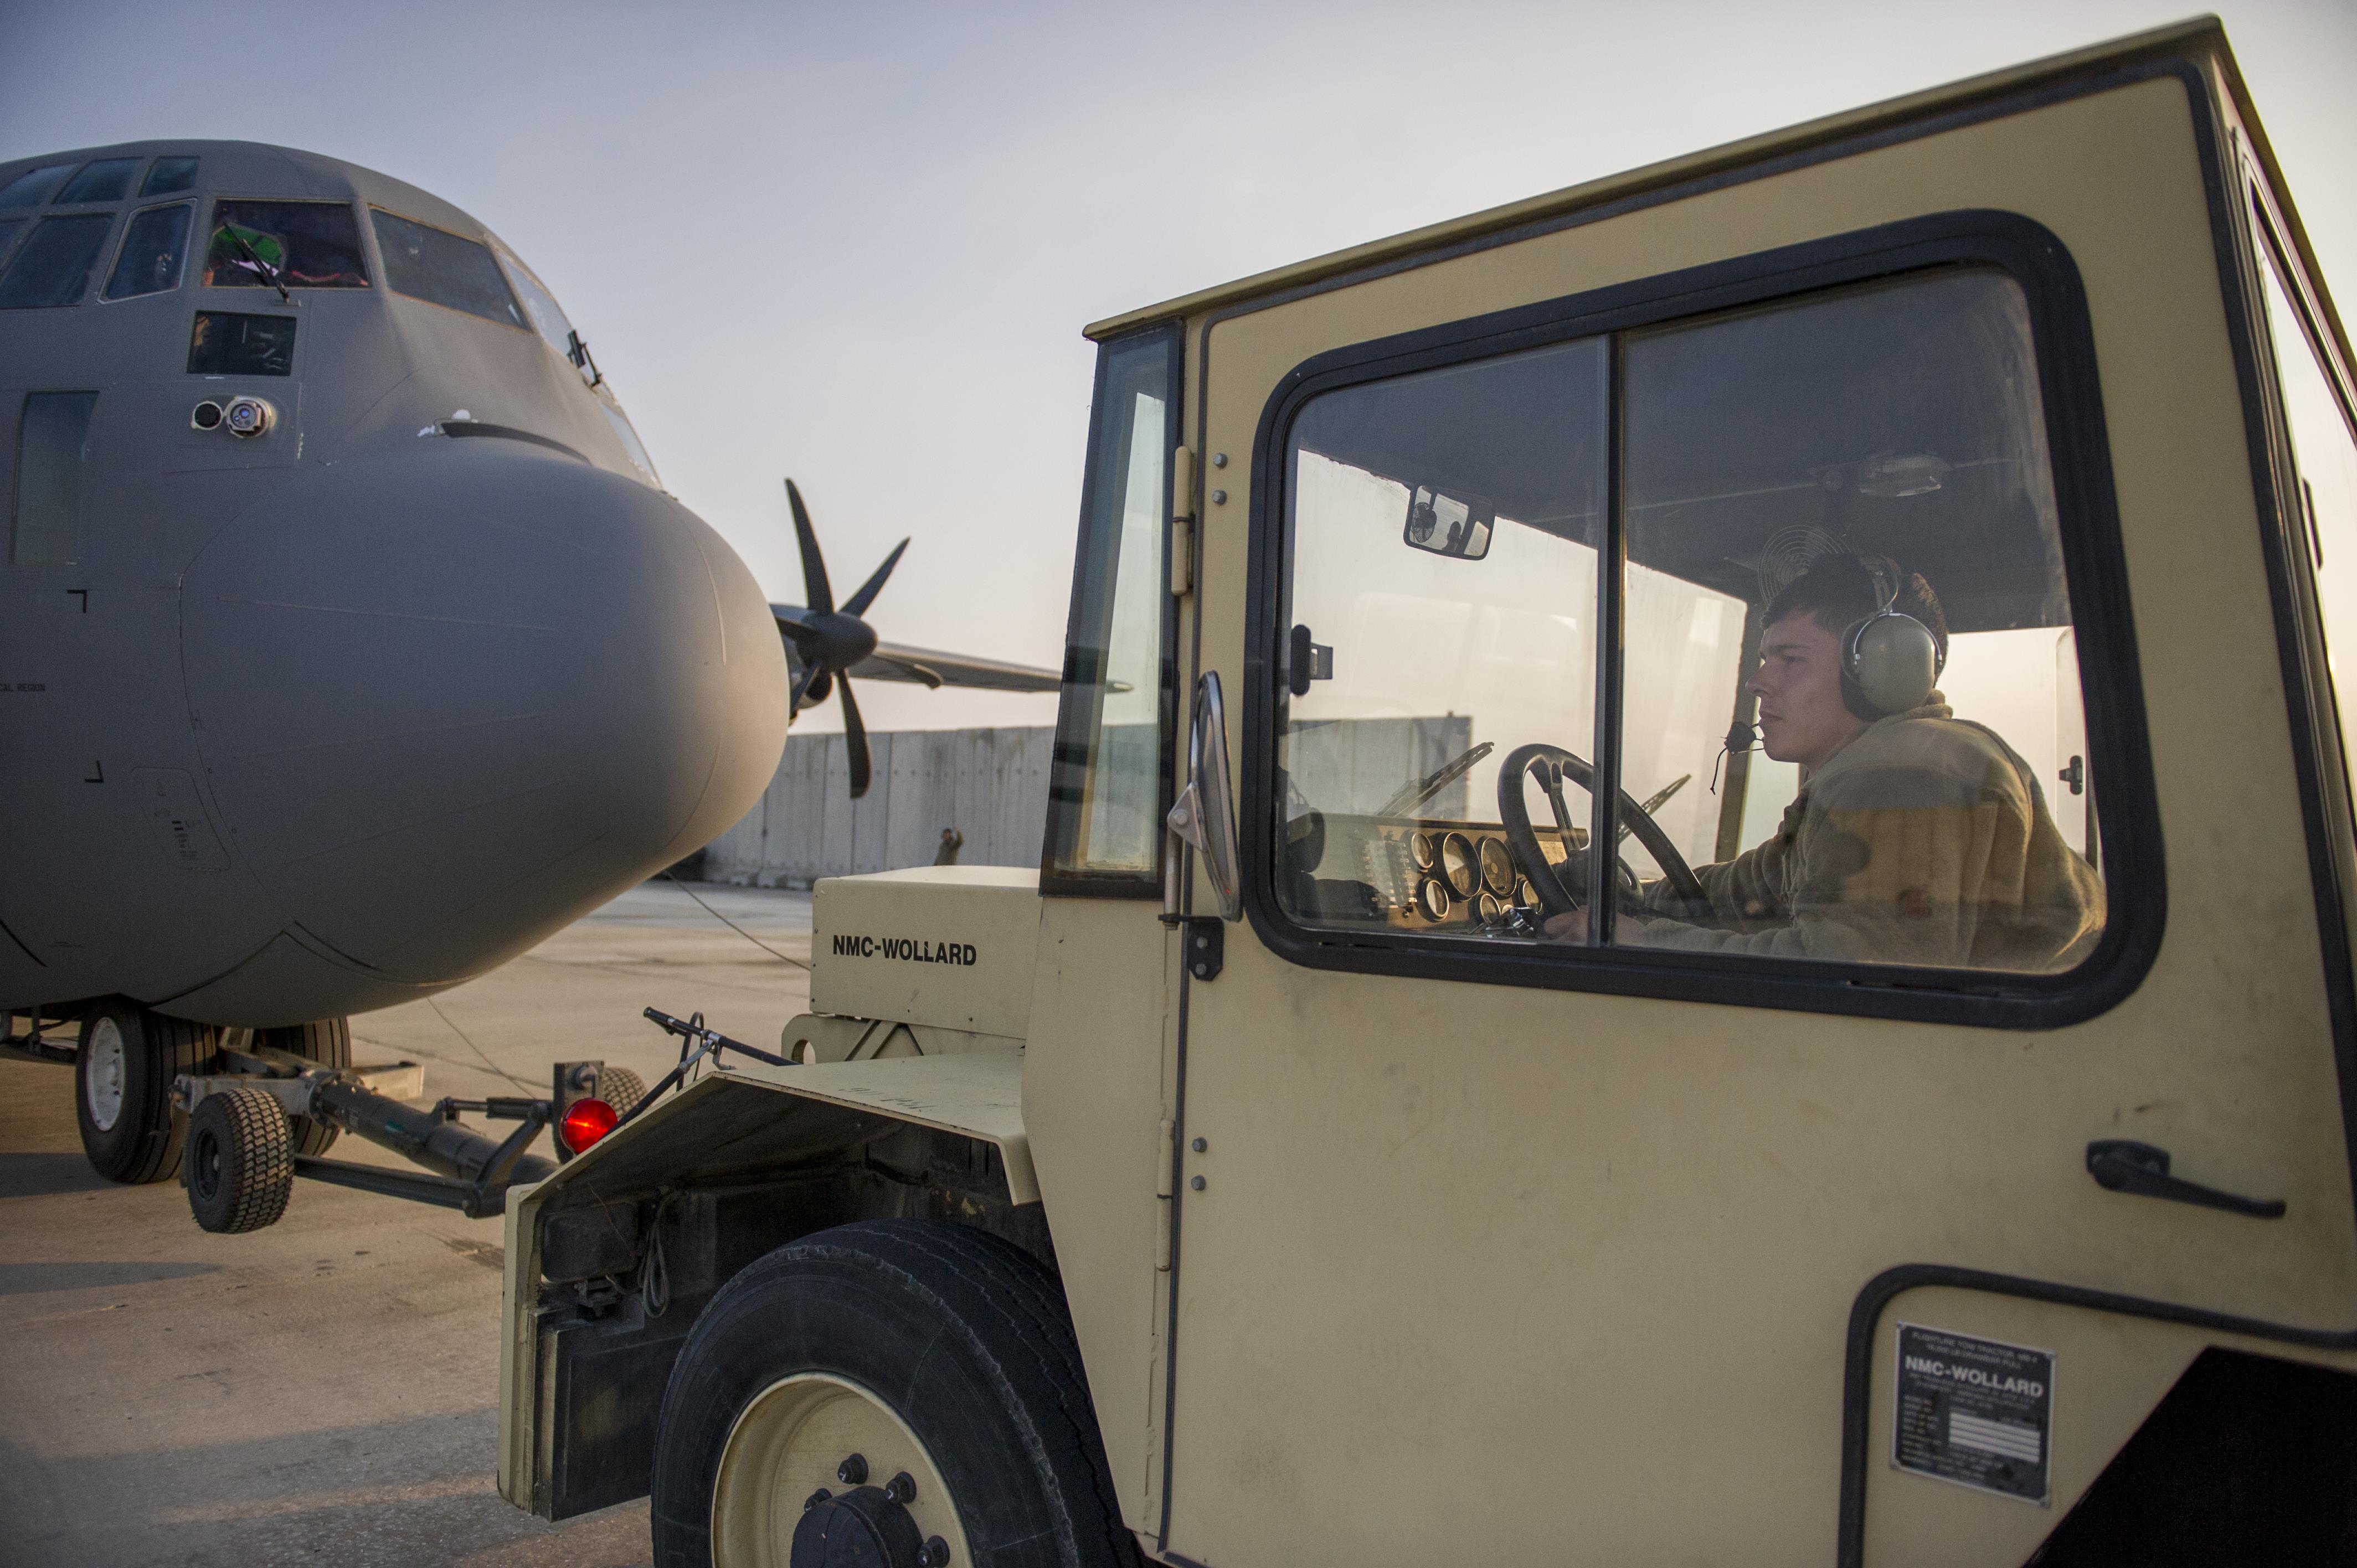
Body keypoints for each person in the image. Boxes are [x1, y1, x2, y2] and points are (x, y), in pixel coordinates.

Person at [1546, 555, 2103, 972]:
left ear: (1883, 671)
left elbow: (1848, 975)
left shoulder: (1903, 776)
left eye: (1790, 659)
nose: (1758, 681)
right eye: (1765, 658)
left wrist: (1637, 941)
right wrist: (1633, 899)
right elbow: (1748, 893)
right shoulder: (1868, 770)